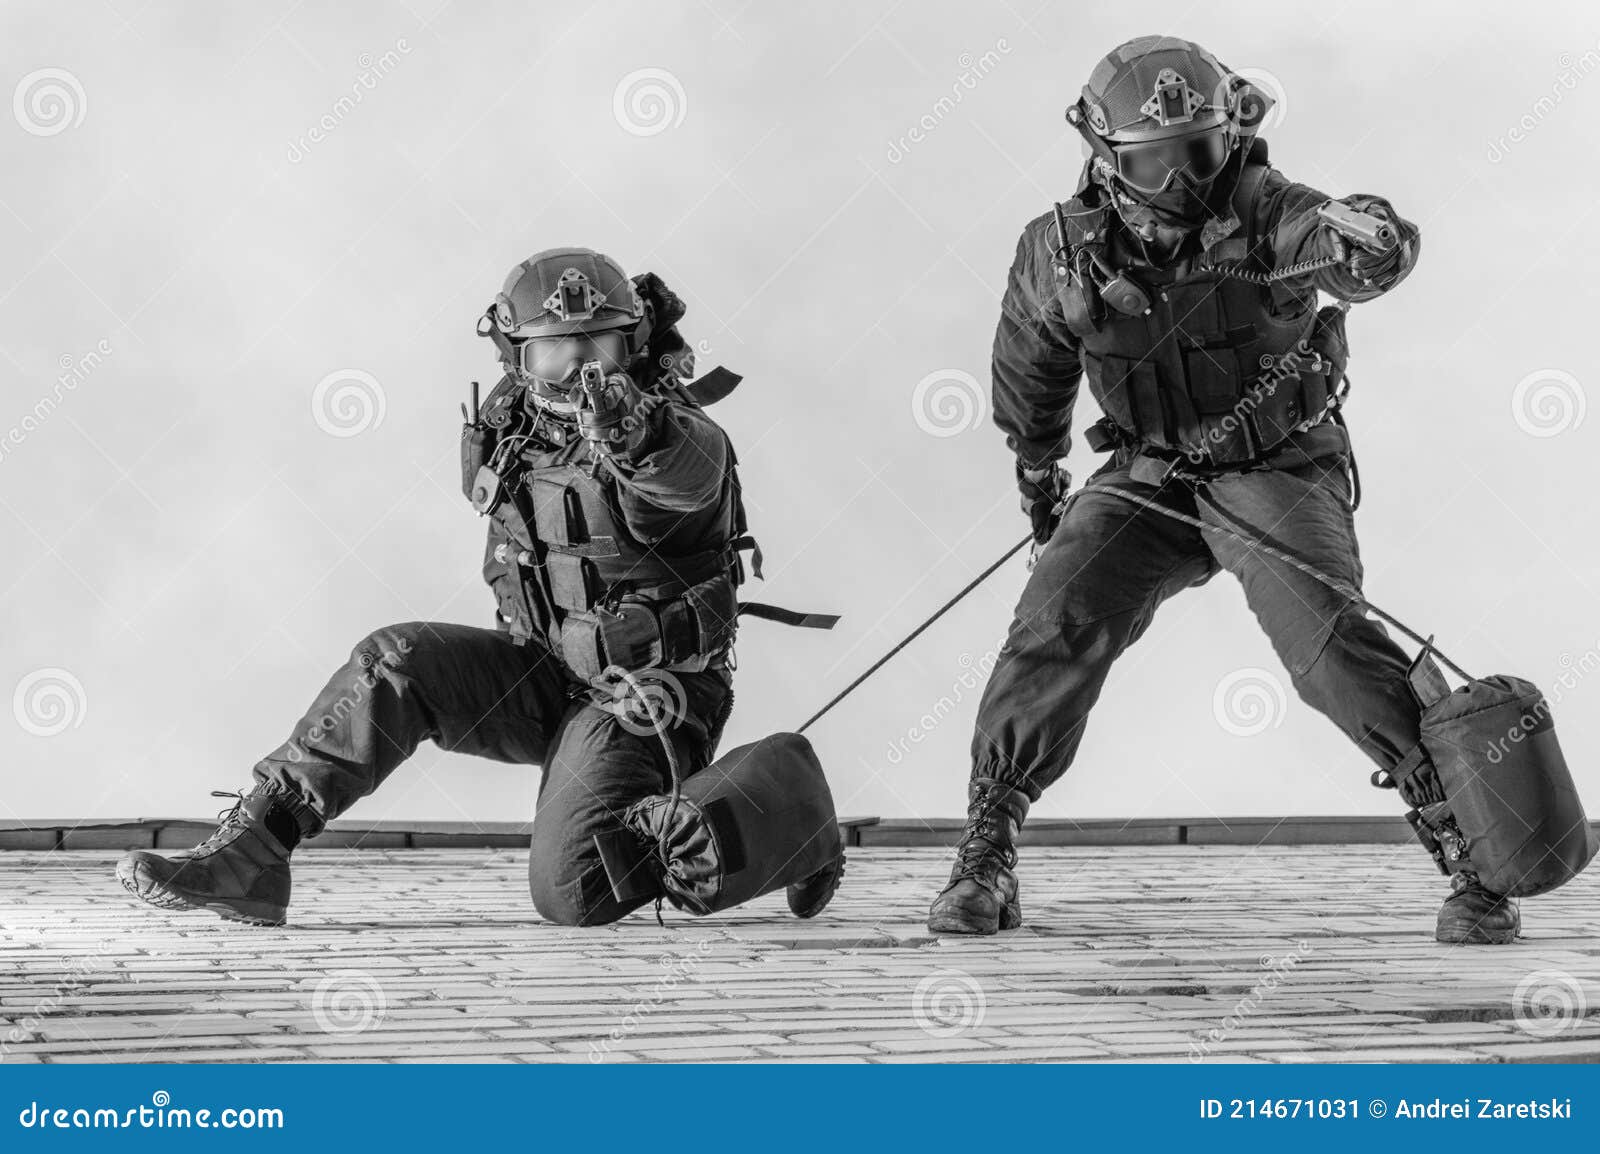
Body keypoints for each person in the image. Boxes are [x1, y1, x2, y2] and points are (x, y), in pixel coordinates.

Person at [926, 35, 1521, 945]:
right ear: (1104, 155)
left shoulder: (1269, 209)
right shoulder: (1060, 252)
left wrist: (1372, 242)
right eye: (1152, 161)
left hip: (1274, 463)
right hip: (1149, 472)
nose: (1178, 182)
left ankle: (1472, 848)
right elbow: (1030, 373)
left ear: (1229, 137)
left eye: (1197, 154)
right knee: (1057, 614)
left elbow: (1337, 240)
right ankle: (988, 845)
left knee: (1327, 639)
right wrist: (1039, 474)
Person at [118, 247, 845, 928]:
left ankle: (789, 810)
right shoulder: (515, 426)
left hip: (648, 693)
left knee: (575, 890)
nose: (578, 372)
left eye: (598, 348)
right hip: (545, 671)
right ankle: (252, 857)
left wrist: (630, 433)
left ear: (633, 345)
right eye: (554, 352)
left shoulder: (673, 431)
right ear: (515, 354)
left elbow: (682, 474)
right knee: (395, 662)